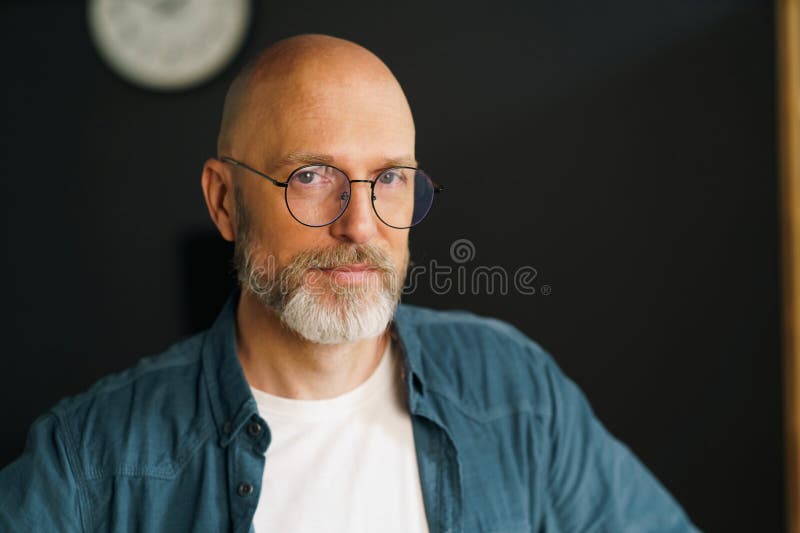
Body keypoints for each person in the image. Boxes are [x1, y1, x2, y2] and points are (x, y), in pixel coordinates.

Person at [0, 34, 698, 532]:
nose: (360, 226)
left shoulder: (513, 390)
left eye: (390, 178)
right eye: (312, 176)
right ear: (223, 202)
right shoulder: (90, 461)